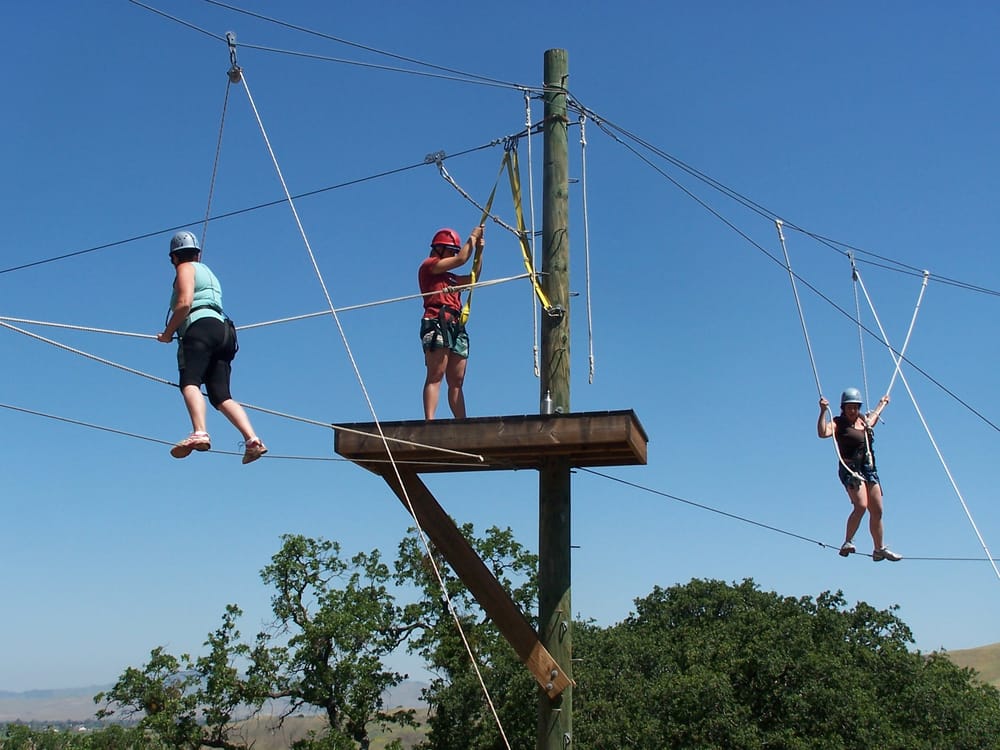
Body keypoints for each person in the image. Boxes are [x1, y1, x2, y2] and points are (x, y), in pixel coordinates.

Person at [157, 230, 268, 464]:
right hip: (224, 332)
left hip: (200, 329)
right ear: (197, 254)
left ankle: (199, 432)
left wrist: (168, 334)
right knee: (221, 396)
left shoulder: (185, 268)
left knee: (190, 383)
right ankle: (253, 440)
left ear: (174, 257)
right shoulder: (209, 273)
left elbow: (185, 303)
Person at [817, 387, 900, 561]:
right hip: (851, 469)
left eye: (855, 407)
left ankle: (879, 549)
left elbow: (873, 419)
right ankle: (847, 542)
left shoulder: (863, 421)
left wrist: (881, 405)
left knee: (877, 510)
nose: (852, 411)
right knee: (861, 505)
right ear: (843, 408)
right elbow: (823, 433)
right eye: (849, 408)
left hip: (869, 469)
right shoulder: (838, 423)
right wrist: (823, 411)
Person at [418, 225, 485, 419]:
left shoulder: (450, 279)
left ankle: (461, 422)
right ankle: (429, 421)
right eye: (449, 250)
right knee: (435, 375)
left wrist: (479, 251)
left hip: (455, 324)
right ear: (439, 249)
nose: (452, 254)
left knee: (457, 380)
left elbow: (473, 279)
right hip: (437, 321)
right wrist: (472, 237)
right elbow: (461, 259)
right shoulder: (429, 266)